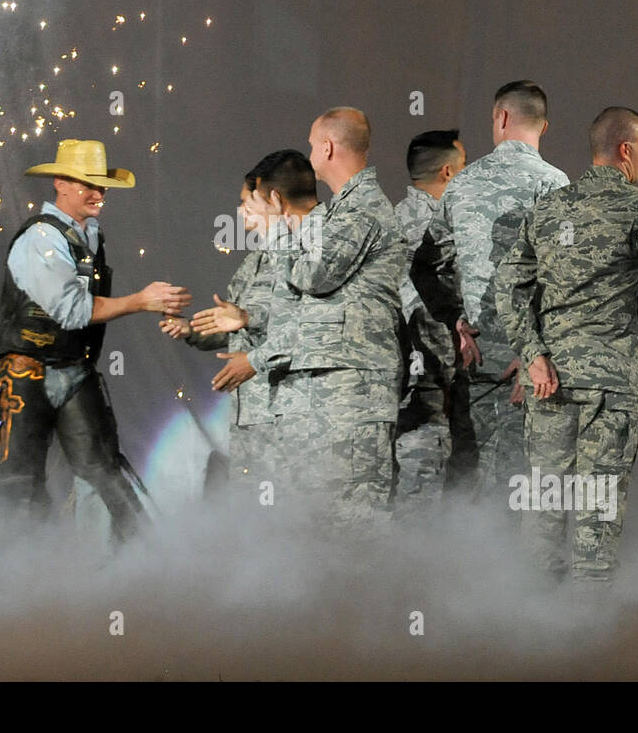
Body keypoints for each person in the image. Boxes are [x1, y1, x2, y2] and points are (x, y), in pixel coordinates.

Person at [0, 139, 190, 583]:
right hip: (24, 375)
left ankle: (113, 583)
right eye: (87, 184)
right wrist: (141, 301)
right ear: (61, 183)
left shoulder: (88, 236)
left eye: (102, 186)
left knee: (104, 477)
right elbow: (72, 310)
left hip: (73, 370)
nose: (98, 193)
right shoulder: (41, 236)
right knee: (13, 484)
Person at [495, 108, 638, 583]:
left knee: (545, 503)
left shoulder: (546, 209)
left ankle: (531, 628)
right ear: (626, 150)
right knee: (597, 505)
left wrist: (533, 355)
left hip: (548, 382)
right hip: (609, 386)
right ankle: (587, 632)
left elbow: (508, 288)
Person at [210, 108, 405, 532]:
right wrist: (249, 316)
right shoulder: (340, 213)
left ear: (329, 146)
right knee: (317, 530)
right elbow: (304, 308)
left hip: (351, 395)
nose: (310, 153)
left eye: (314, 143)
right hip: (326, 395)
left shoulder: (362, 209)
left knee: (353, 531)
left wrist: (276, 228)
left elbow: (311, 276)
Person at [413, 81, 569, 501]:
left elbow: (423, 267)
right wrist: (534, 352)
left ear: (500, 118)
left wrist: (457, 321)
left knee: (465, 483)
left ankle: (456, 565)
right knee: (523, 493)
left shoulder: (462, 185)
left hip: (476, 359)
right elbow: (565, 280)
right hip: (533, 373)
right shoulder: (556, 185)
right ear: (544, 126)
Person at [163, 151, 316, 500]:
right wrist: (192, 330)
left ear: (274, 200)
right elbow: (236, 323)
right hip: (253, 414)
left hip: (293, 414)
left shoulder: (317, 250)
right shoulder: (258, 258)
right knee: (256, 524)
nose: (239, 212)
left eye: (246, 202)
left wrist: (249, 321)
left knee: (294, 518)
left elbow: (312, 324)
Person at [393, 129, 466, 509]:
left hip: (393, 388)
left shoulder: (387, 222)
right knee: (424, 500)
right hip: (433, 381)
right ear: (449, 173)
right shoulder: (444, 230)